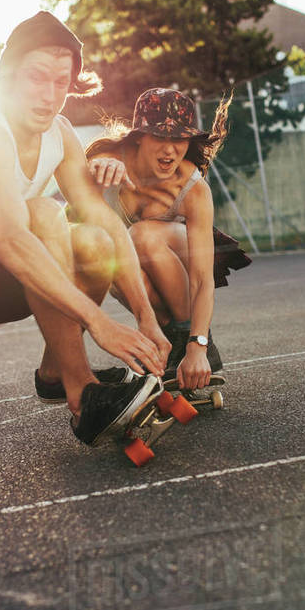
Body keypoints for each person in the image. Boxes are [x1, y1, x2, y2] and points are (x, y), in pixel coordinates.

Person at [0, 13, 171, 443]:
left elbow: (103, 220)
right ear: (8, 77)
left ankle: (55, 372)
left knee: (95, 241)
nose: (49, 96)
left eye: (61, 82)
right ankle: (83, 396)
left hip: (0, 272)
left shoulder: (60, 133)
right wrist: (98, 322)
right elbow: (8, 242)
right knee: (43, 213)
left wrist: (145, 317)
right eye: (37, 78)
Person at [85, 88, 250, 388]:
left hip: (182, 264)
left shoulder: (193, 189)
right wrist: (94, 168)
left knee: (143, 234)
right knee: (110, 262)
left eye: (179, 139)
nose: (170, 150)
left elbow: (202, 279)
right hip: (138, 274)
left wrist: (198, 346)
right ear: (139, 137)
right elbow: (77, 200)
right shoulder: (109, 160)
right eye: (160, 138)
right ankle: (166, 343)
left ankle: (196, 344)